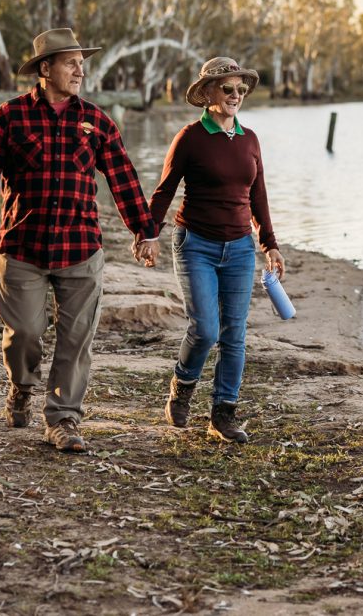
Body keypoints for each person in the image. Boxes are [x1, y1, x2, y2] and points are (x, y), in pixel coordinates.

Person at [0, 28, 157, 454]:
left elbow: (123, 179)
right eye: (71, 62)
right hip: (22, 248)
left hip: (81, 249)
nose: (79, 70)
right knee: (26, 333)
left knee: (75, 338)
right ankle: (20, 386)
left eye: (81, 63)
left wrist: (143, 230)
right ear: (45, 69)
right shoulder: (8, 118)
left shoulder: (97, 122)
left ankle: (63, 418)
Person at [134, 57, 285, 444]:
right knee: (204, 329)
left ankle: (223, 414)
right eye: (227, 89)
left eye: (241, 90)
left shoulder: (250, 139)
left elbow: (259, 195)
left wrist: (270, 244)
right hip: (195, 243)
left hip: (239, 248)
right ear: (207, 94)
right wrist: (147, 234)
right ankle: (182, 387)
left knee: (234, 336)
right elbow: (165, 190)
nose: (235, 96)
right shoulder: (189, 137)